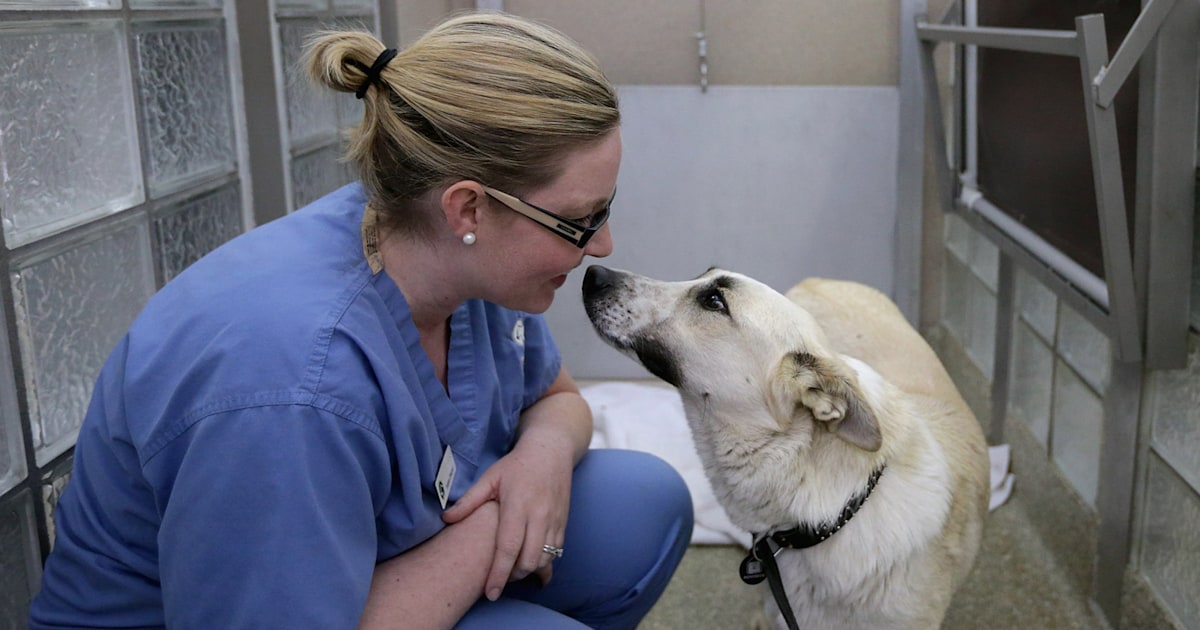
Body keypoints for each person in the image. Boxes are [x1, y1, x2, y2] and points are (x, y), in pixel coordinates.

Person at [29, 12, 693, 630]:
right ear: (467, 209)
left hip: (377, 564)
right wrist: (497, 525)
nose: (601, 246)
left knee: (643, 504)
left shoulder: (441, 251)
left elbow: (556, 398)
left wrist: (541, 458)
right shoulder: (293, 382)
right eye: (580, 220)